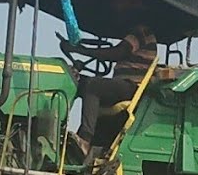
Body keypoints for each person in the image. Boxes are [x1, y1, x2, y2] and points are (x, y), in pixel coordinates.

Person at [58, 23, 158, 154]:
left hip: (132, 88)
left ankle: (85, 139)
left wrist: (79, 50)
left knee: (93, 85)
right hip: (121, 87)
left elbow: (116, 53)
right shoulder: (134, 35)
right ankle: (60, 135)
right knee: (77, 81)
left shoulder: (142, 32)